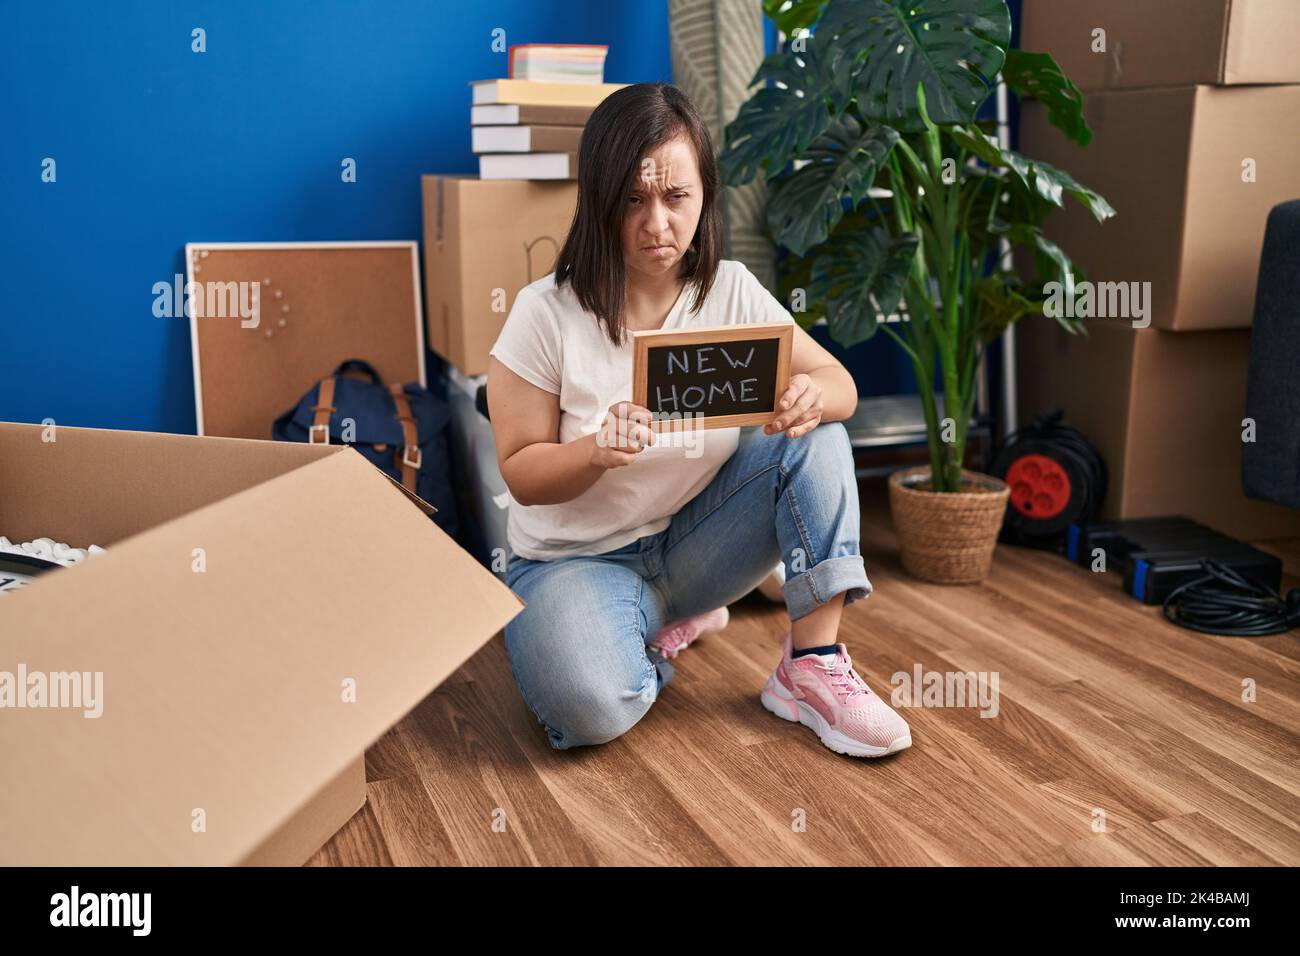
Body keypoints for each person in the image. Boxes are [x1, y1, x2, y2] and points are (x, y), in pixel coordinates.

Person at [486, 82, 911, 758]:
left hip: (696, 544)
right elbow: (522, 473)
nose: (657, 225)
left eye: (676, 197)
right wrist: (595, 450)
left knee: (819, 432)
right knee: (588, 708)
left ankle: (812, 663)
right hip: (574, 562)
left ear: (705, 195)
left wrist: (811, 398)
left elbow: (842, 386)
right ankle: (644, 631)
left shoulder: (732, 290)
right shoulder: (544, 314)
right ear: (599, 199)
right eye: (633, 199)